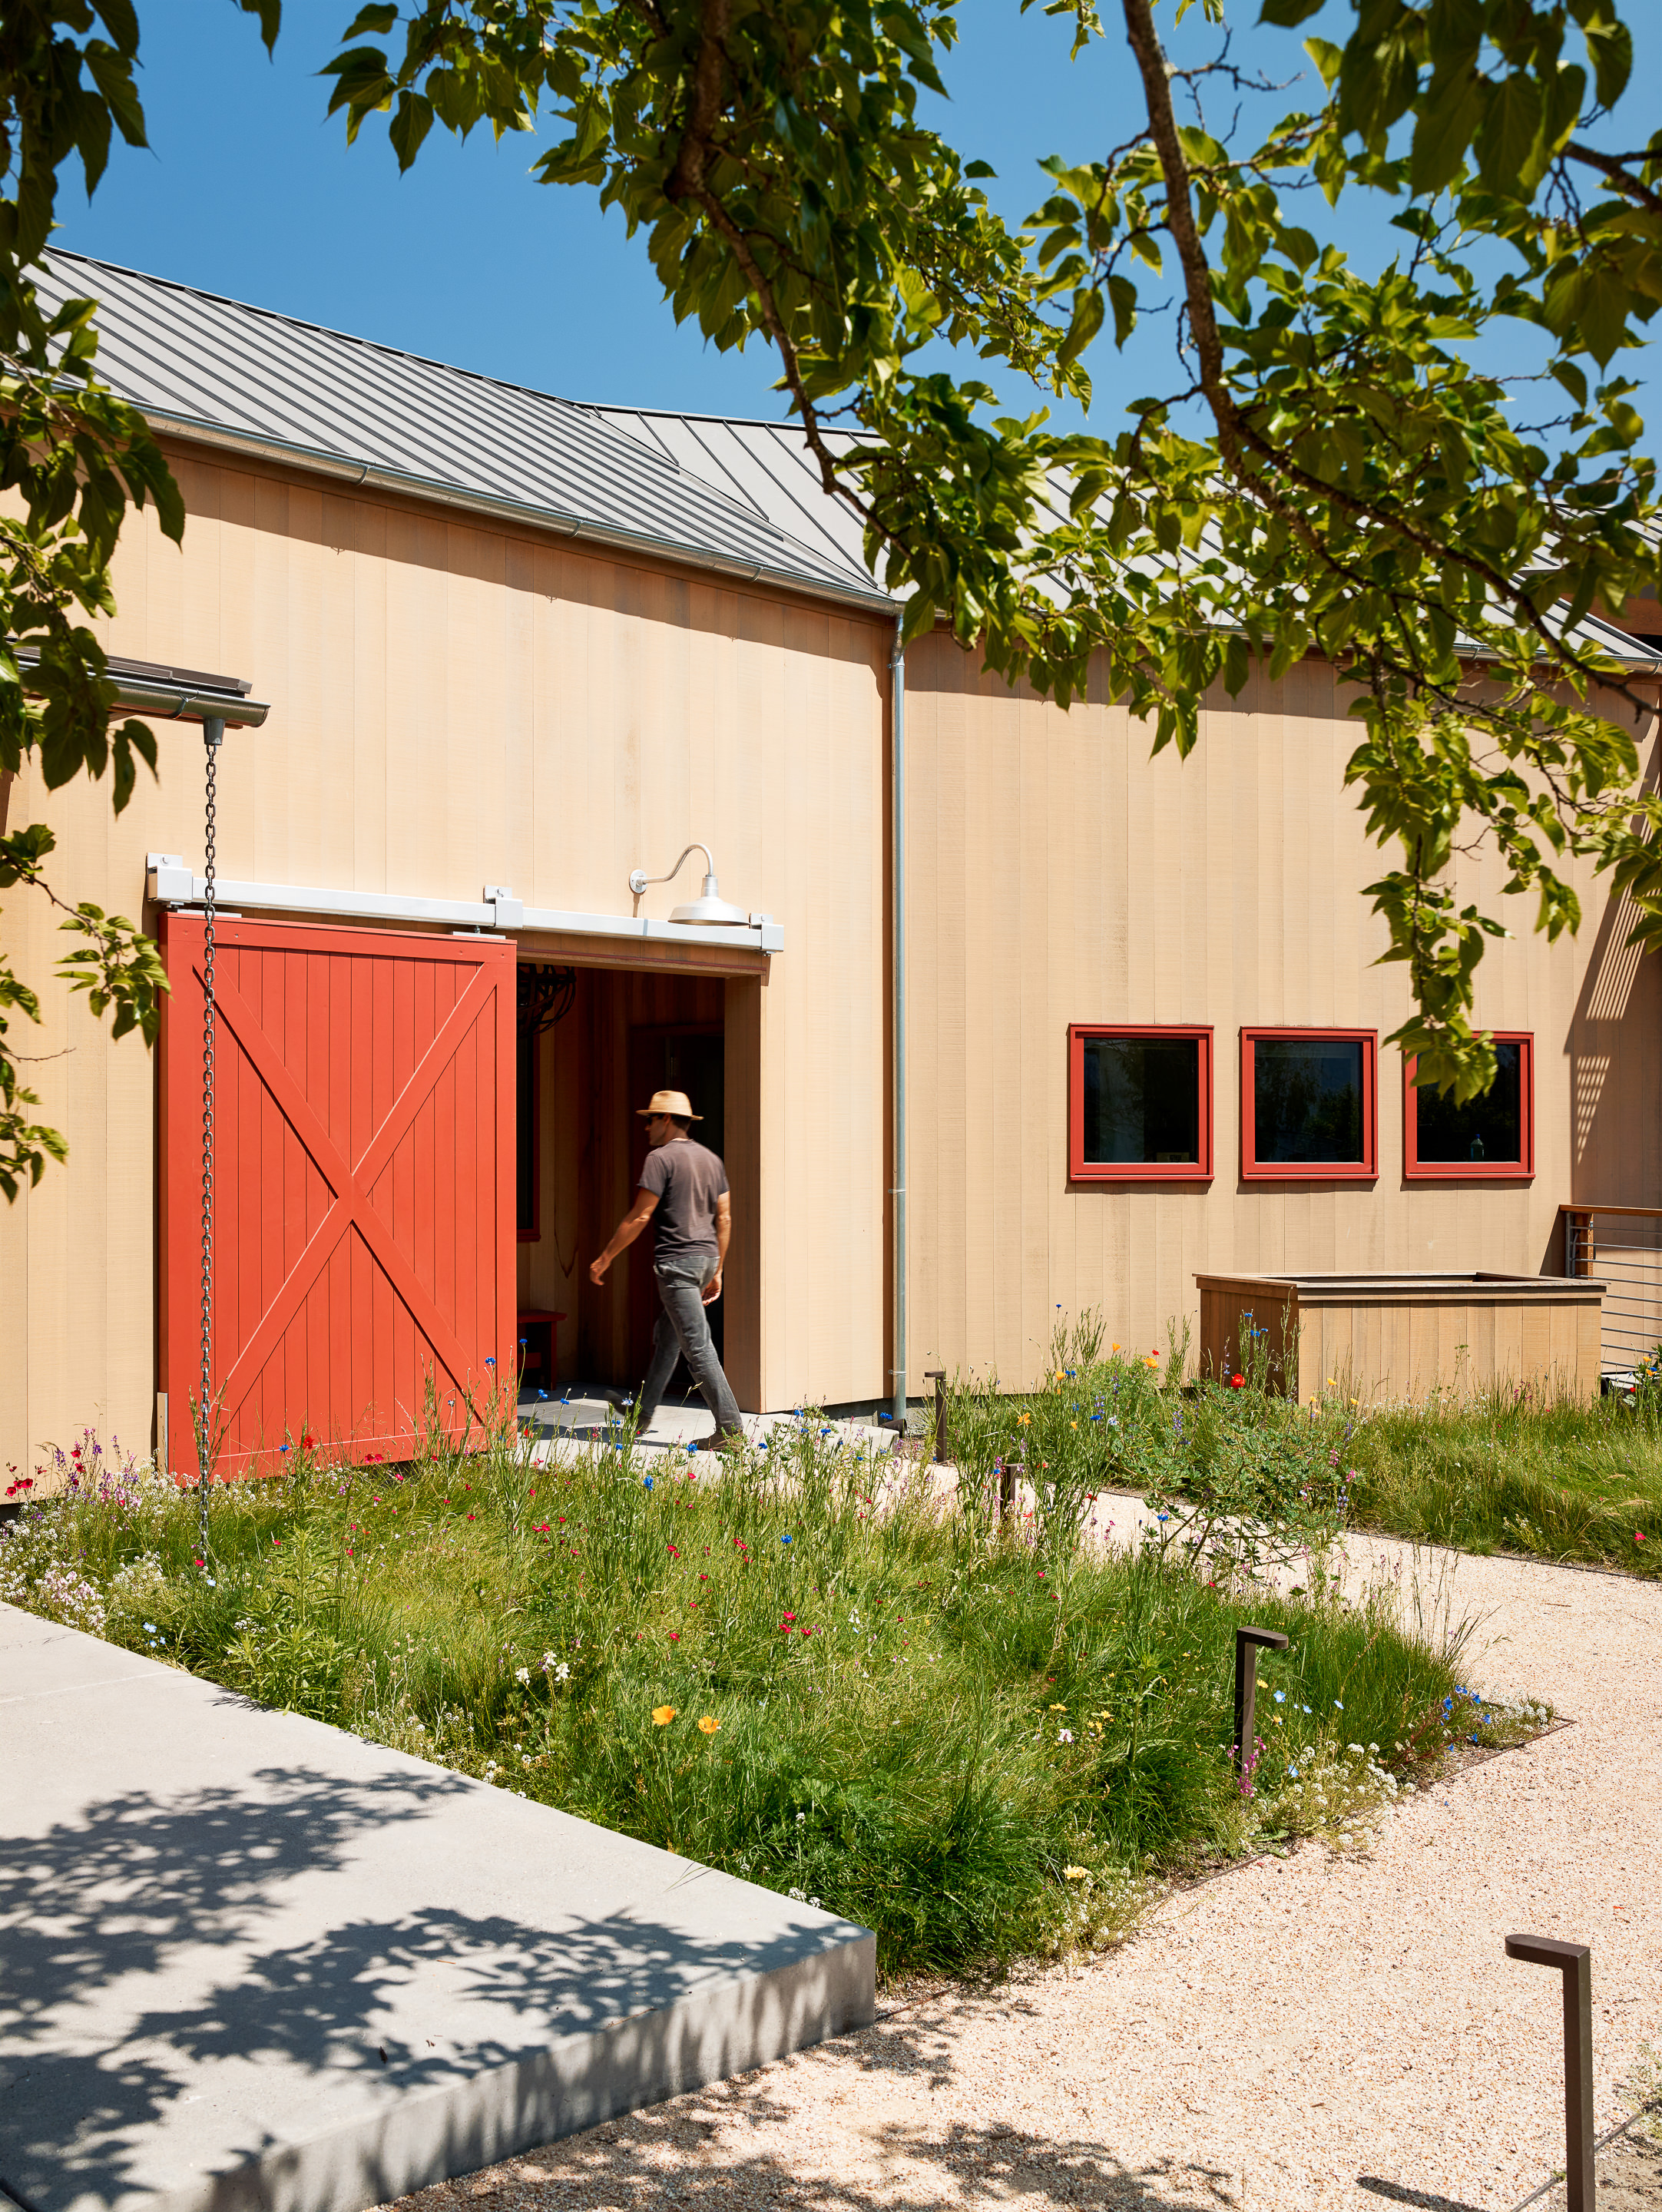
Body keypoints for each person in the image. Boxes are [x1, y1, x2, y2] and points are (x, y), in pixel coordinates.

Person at [589, 1088, 744, 1450]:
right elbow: (724, 1218)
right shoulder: (711, 1160)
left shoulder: (659, 1159)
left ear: (666, 1120)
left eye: (650, 1120)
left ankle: (731, 1432)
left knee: (697, 1347)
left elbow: (641, 1214)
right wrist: (718, 1270)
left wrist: (606, 1256)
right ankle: (641, 1416)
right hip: (705, 1261)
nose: (646, 1128)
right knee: (668, 1337)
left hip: (677, 1266)